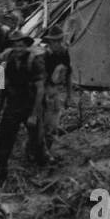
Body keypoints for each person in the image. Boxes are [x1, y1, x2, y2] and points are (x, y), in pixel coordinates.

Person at [0, 30, 48, 187]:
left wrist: (34, 114)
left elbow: (40, 89)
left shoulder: (34, 61)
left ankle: (41, 166)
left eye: (21, 45)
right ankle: (1, 168)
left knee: (37, 138)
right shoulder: (4, 59)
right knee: (5, 137)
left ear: (26, 46)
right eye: (15, 45)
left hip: (31, 102)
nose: (18, 49)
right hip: (13, 103)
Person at [34, 25, 71, 161]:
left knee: (53, 124)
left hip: (55, 90)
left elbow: (68, 74)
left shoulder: (64, 53)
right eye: (54, 41)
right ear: (49, 42)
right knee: (43, 124)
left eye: (58, 41)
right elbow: (40, 80)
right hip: (44, 90)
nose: (57, 44)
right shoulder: (44, 56)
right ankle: (38, 152)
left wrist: (69, 95)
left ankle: (46, 151)